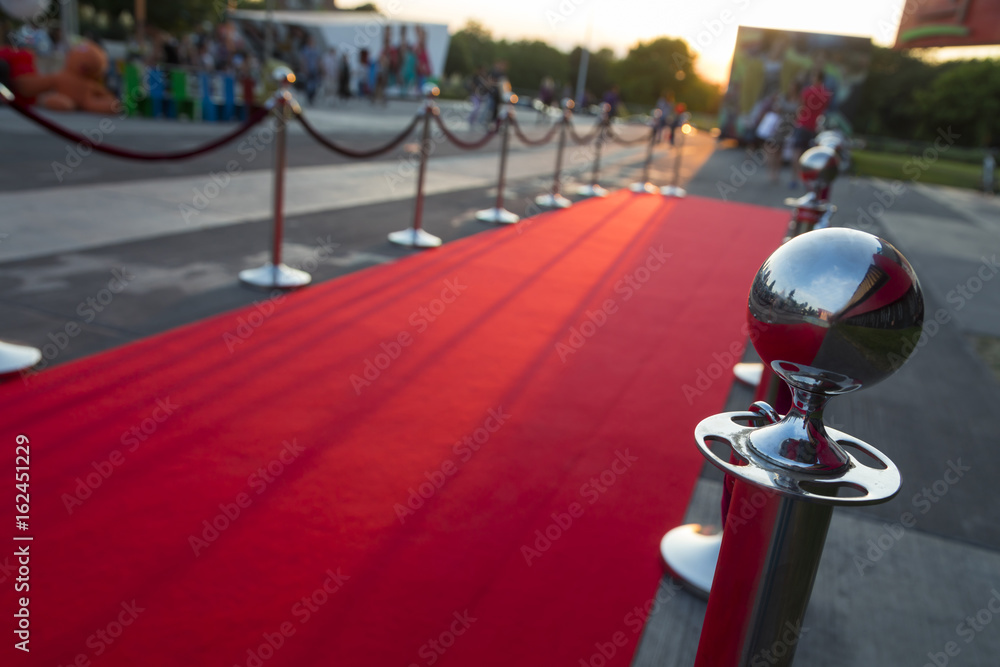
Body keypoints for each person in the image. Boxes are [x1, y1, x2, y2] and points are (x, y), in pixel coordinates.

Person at [790, 70, 831, 188]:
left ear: (816, 78)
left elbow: (800, 106)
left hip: (802, 124)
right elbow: (824, 108)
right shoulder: (825, 93)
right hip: (815, 127)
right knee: (811, 156)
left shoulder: (807, 91)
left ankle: (794, 179)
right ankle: (806, 181)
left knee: (797, 153)